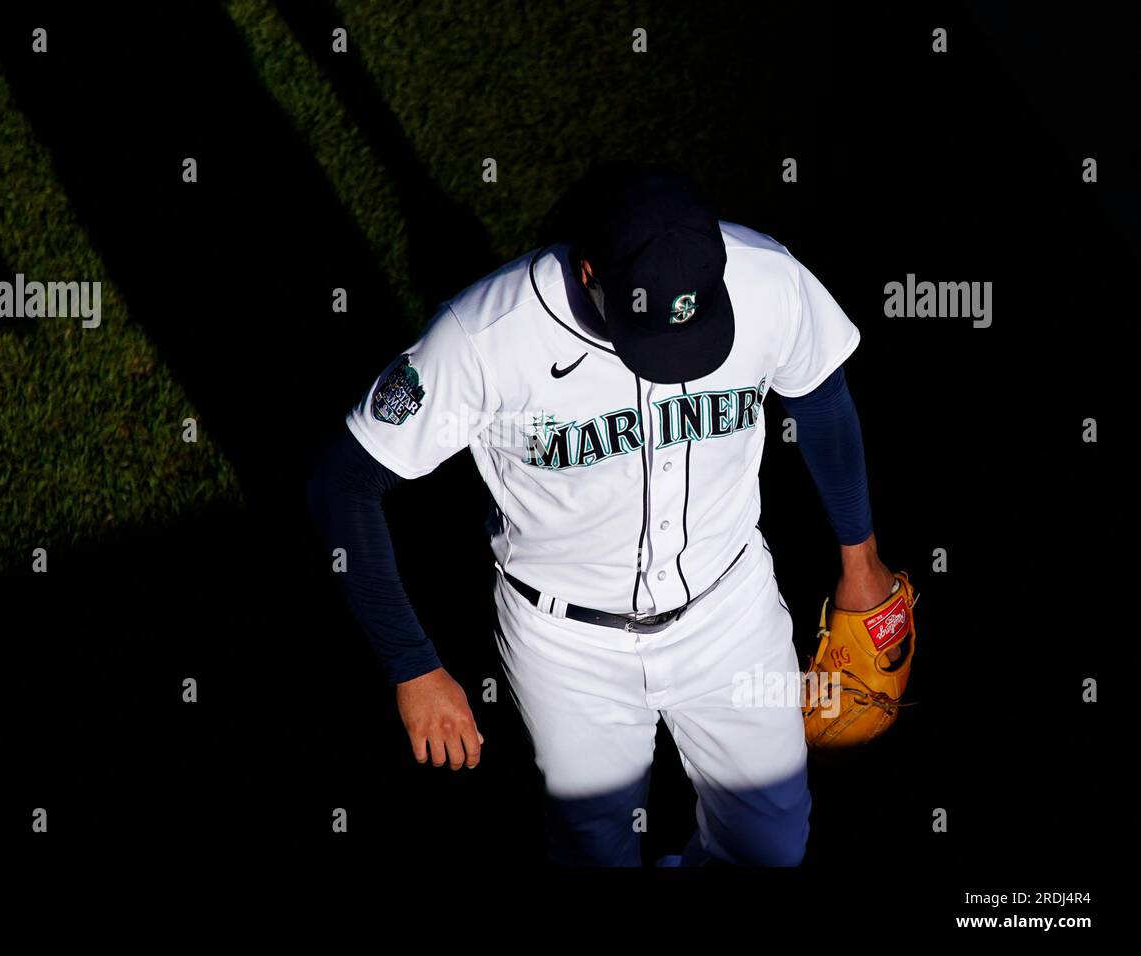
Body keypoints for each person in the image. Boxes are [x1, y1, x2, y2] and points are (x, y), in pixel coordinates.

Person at [309, 162, 898, 866]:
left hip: (730, 612)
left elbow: (821, 398)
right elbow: (344, 482)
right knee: (594, 854)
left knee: (770, 847)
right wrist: (414, 667)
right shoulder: (484, 337)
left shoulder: (769, 278)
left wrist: (860, 563)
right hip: (567, 650)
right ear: (589, 271)